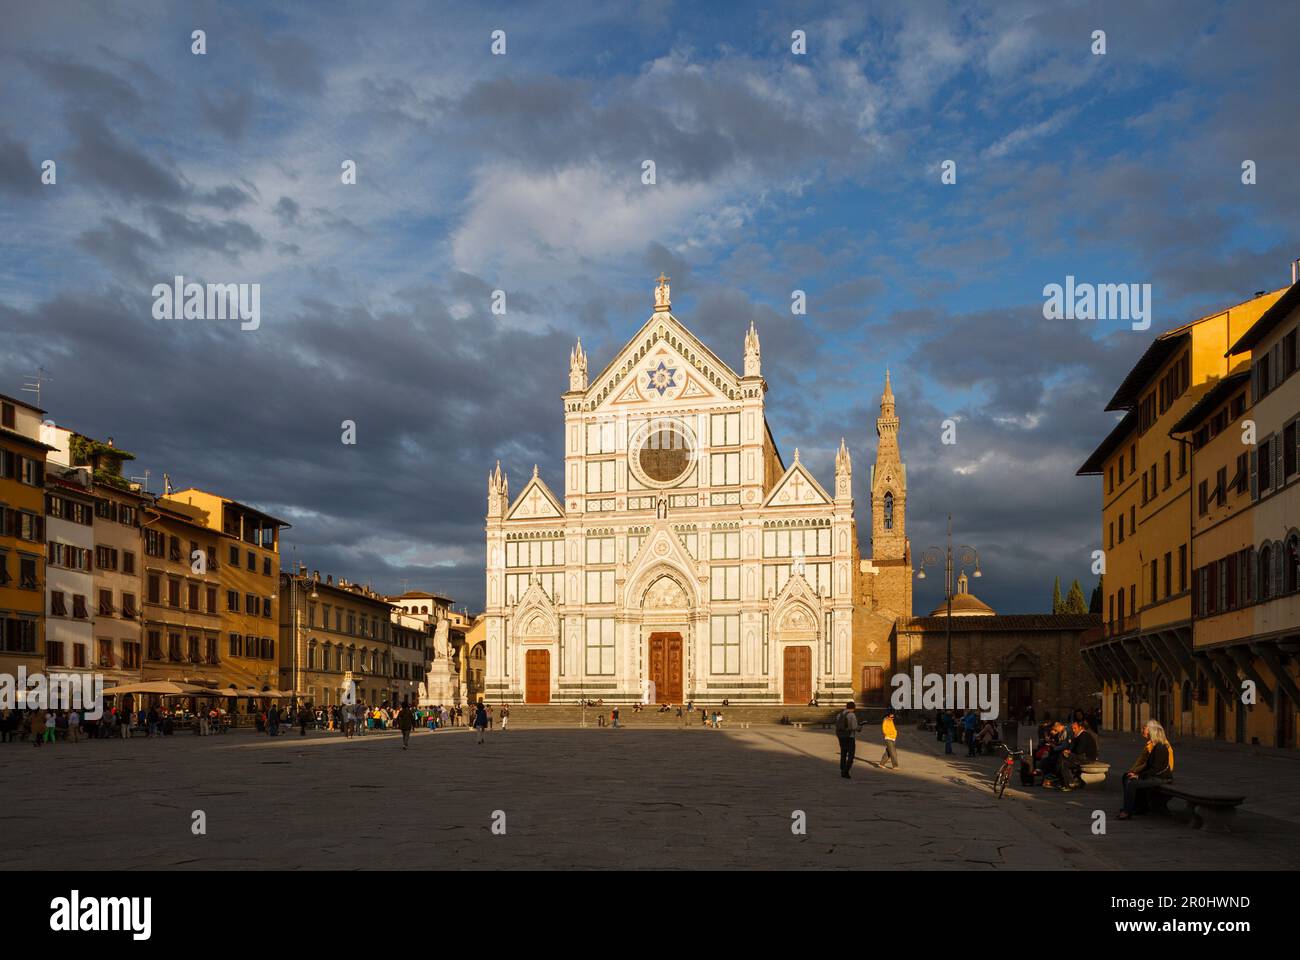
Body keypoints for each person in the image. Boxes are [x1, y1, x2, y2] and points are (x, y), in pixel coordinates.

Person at [1118, 720, 1173, 819]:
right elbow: (1147, 764)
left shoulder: (1161, 747)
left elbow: (1156, 769)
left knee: (1133, 783)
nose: (1143, 730)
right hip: (1155, 775)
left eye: (1145, 729)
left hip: (1162, 778)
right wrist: (1135, 772)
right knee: (1129, 778)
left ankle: (1127, 811)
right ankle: (1136, 807)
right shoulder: (1156, 746)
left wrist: (1139, 776)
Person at [1058, 718, 1099, 791]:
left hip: (1087, 758)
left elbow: (1079, 750)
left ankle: (1069, 783)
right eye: (1072, 728)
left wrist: (1069, 752)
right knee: (1064, 762)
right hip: (1081, 757)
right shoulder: (1078, 735)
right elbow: (1073, 748)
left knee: (1063, 758)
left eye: (1075, 728)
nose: (1073, 730)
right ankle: (1068, 783)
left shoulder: (1084, 736)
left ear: (1080, 728)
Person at [834, 700, 859, 778]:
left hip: (841, 736)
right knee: (851, 755)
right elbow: (854, 727)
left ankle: (842, 769)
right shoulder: (852, 715)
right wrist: (860, 727)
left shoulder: (839, 714)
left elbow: (837, 725)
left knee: (843, 753)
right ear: (853, 708)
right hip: (849, 736)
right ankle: (846, 771)